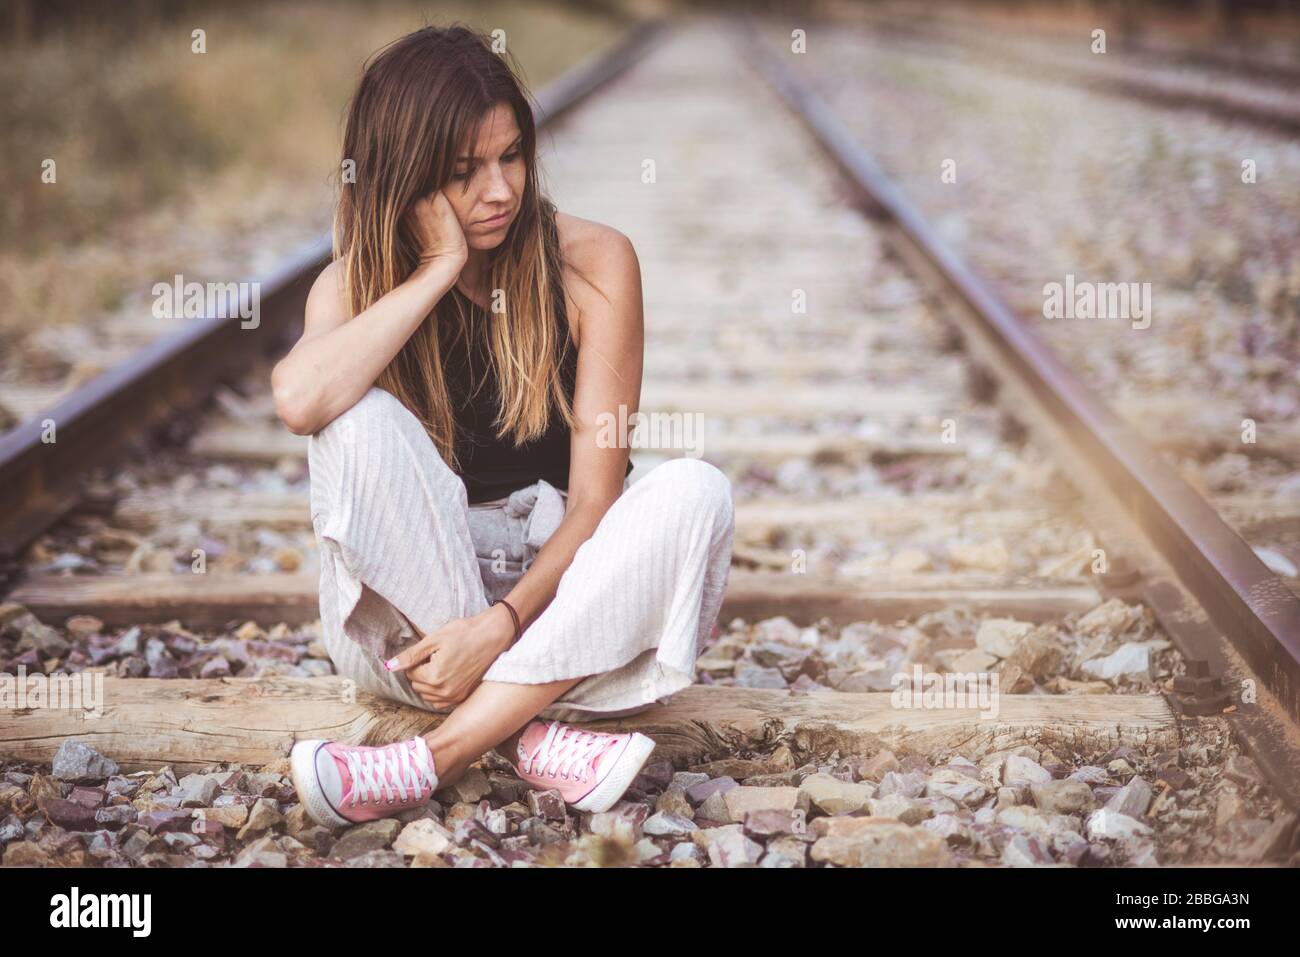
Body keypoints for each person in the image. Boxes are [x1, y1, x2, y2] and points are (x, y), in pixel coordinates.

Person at [269, 24, 735, 827]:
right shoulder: (356, 286)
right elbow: (300, 402)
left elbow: (594, 504)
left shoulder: (594, 264)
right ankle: (529, 728)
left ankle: (433, 756)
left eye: (511, 156)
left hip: (556, 607)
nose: (500, 191)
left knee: (697, 489)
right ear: (403, 181)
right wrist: (437, 270)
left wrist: (500, 626)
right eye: (461, 172)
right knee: (357, 420)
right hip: (411, 646)